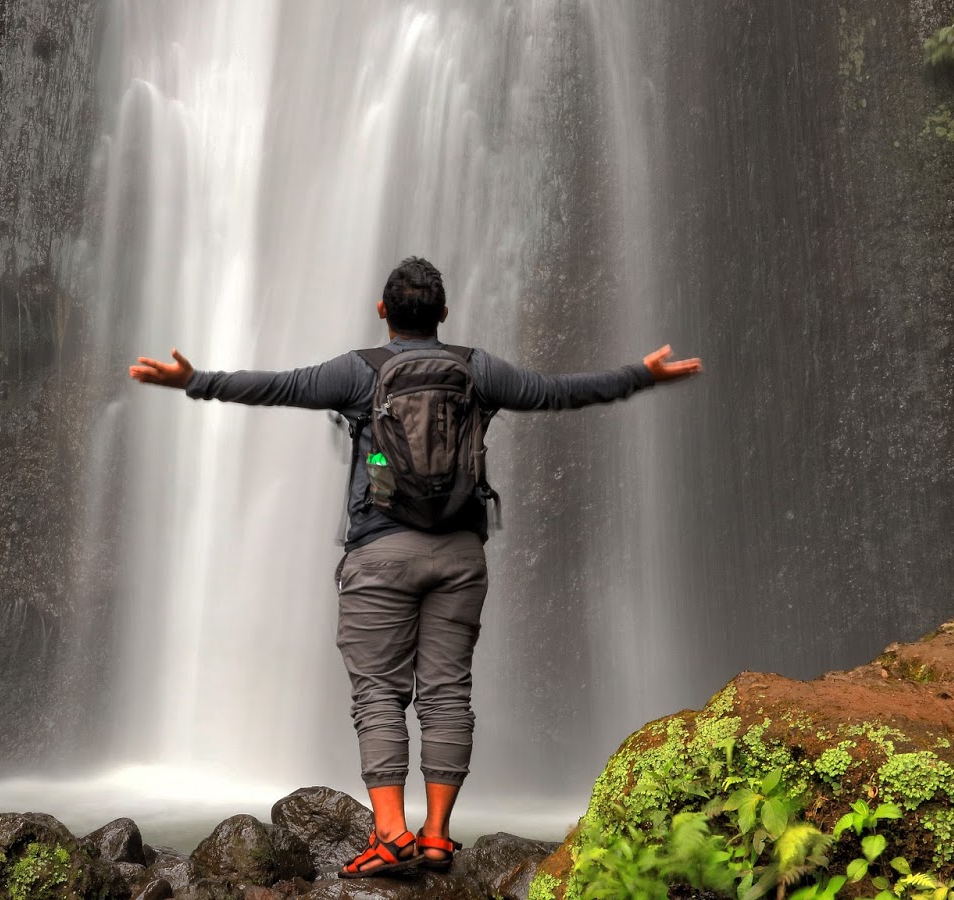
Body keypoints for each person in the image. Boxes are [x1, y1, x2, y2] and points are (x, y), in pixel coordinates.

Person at [127, 256, 702, 878]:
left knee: (379, 690)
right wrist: (642, 374)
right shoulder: (478, 370)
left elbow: (278, 386)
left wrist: (194, 380)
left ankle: (391, 833)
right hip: (460, 555)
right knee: (448, 692)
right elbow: (557, 392)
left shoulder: (358, 372)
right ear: (444, 314)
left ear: (383, 312)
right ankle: (435, 837)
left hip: (379, 553)